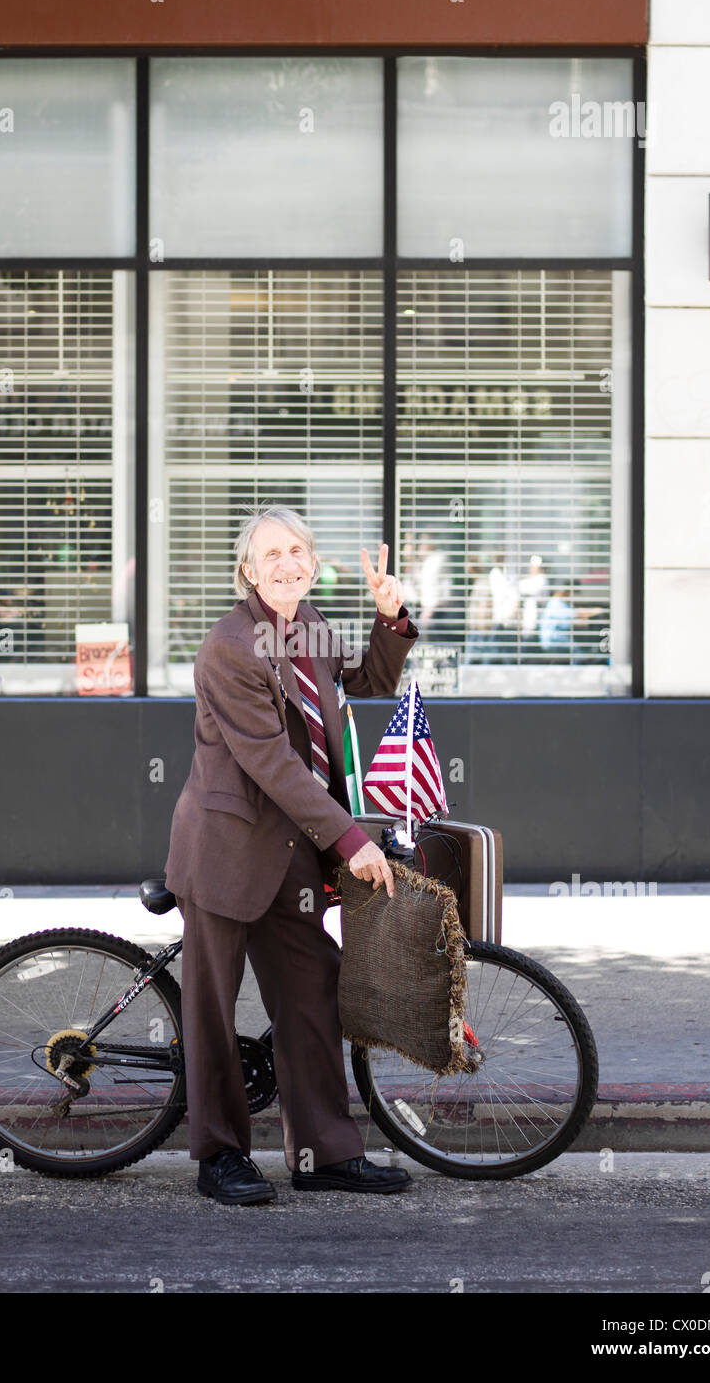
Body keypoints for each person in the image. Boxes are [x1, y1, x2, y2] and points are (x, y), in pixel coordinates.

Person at [164, 504, 420, 1205]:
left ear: (311, 562)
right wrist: (351, 838)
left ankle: (323, 1155)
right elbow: (273, 764)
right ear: (248, 571)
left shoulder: (309, 629)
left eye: (296, 551)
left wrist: (390, 620)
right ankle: (219, 1156)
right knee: (212, 1009)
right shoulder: (229, 645)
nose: (285, 564)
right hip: (226, 849)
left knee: (312, 995)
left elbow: (365, 681)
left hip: (292, 853)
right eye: (269, 555)